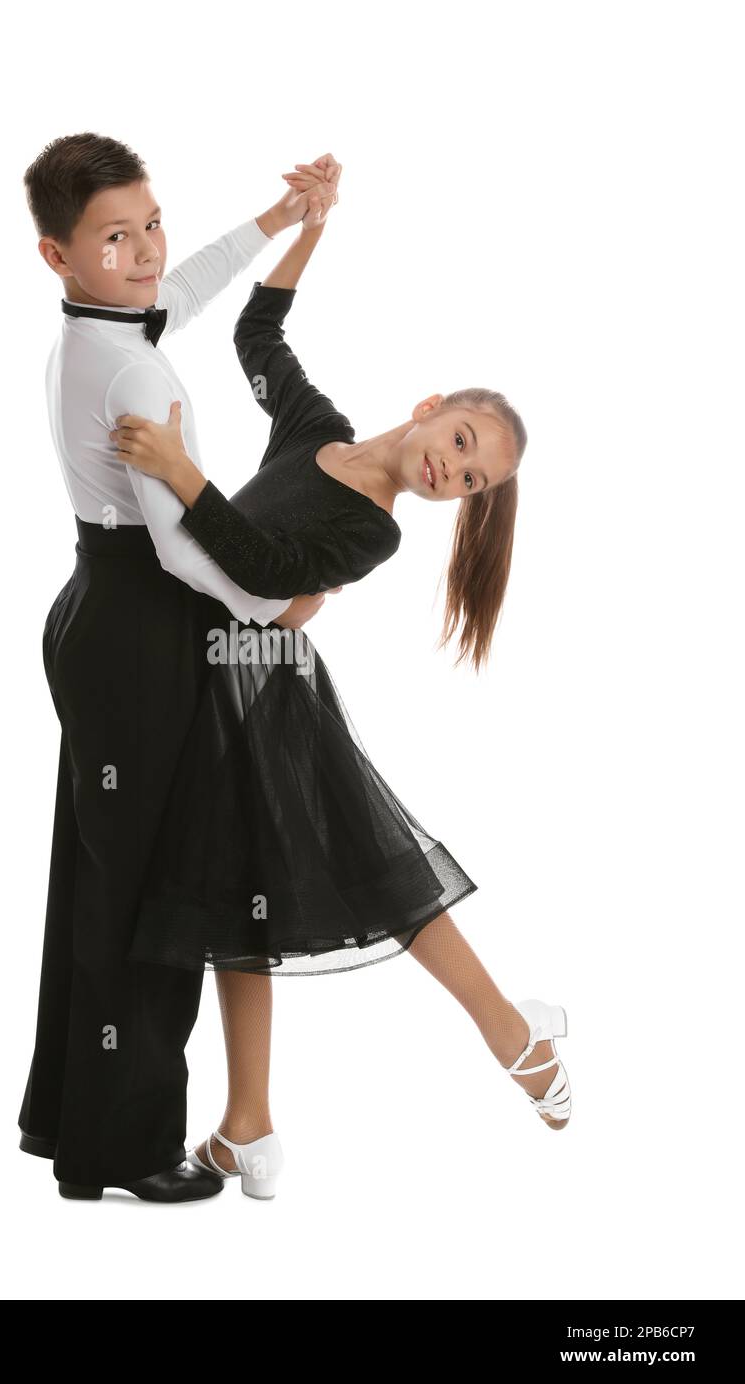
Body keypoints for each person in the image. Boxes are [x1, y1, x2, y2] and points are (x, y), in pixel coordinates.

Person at [110, 156, 572, 1199]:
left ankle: (512, 1034)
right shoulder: (314, 431)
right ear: (427, 407)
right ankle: (247, 1123)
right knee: (234, 893)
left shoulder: (372, 534)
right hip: (211, 672)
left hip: (265, 688)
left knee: (374, 875)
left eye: (469, 478)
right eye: (457, 441)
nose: (449, 471)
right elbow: (254, 339)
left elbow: (265, 571)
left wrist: (183, 473)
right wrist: (308, 227)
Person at [16, 131, 338, 1202]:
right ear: (58, 255)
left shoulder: (100, 328)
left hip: (105, 619)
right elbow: (180, 546)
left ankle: (80, 1136)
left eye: (150, 223)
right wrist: (277, 606)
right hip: (138, 632)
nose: (147, 250)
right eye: (117, 238)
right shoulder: (126, 373)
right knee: (149, 892)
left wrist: (276, 222)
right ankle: (127, 1147)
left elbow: (181, 291)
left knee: (108, 877)